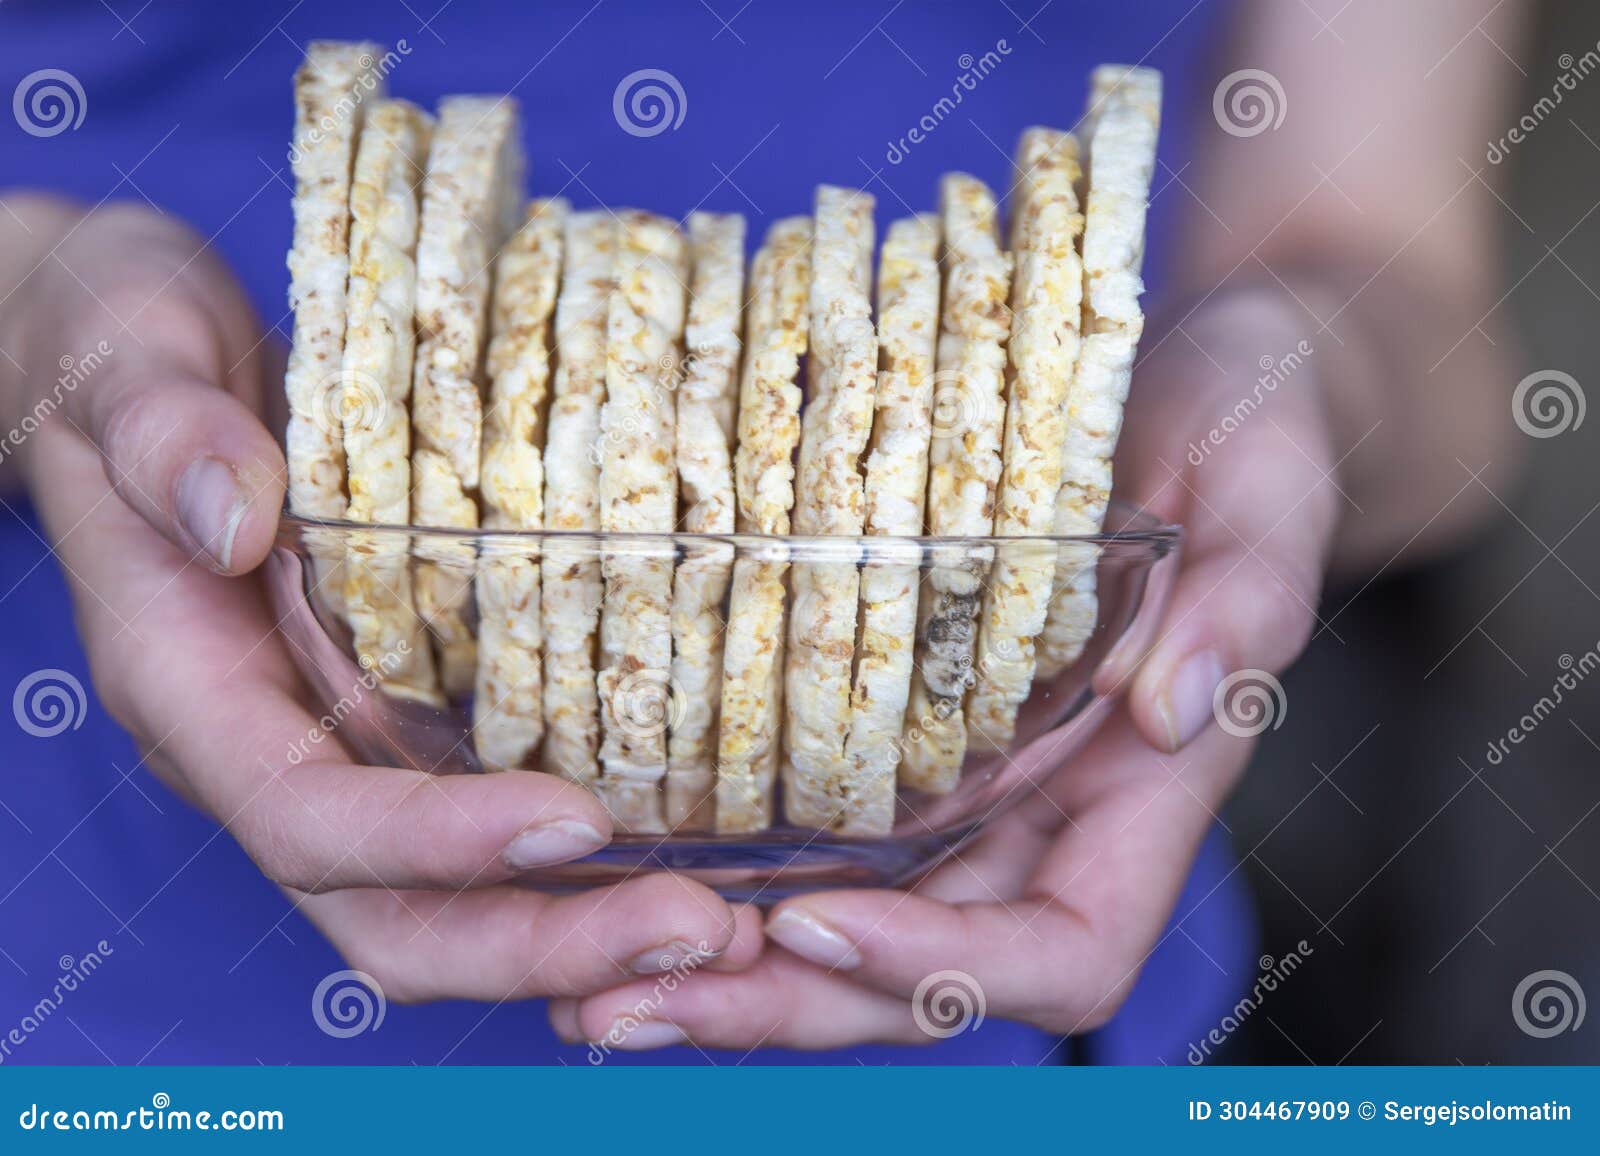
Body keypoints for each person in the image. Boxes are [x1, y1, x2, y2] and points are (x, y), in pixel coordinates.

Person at [0, 0, 1519, 1062]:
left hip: (1017, 982)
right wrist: (43, 336)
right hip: (86, 1012)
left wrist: (1298, 371)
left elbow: (1399, 280)